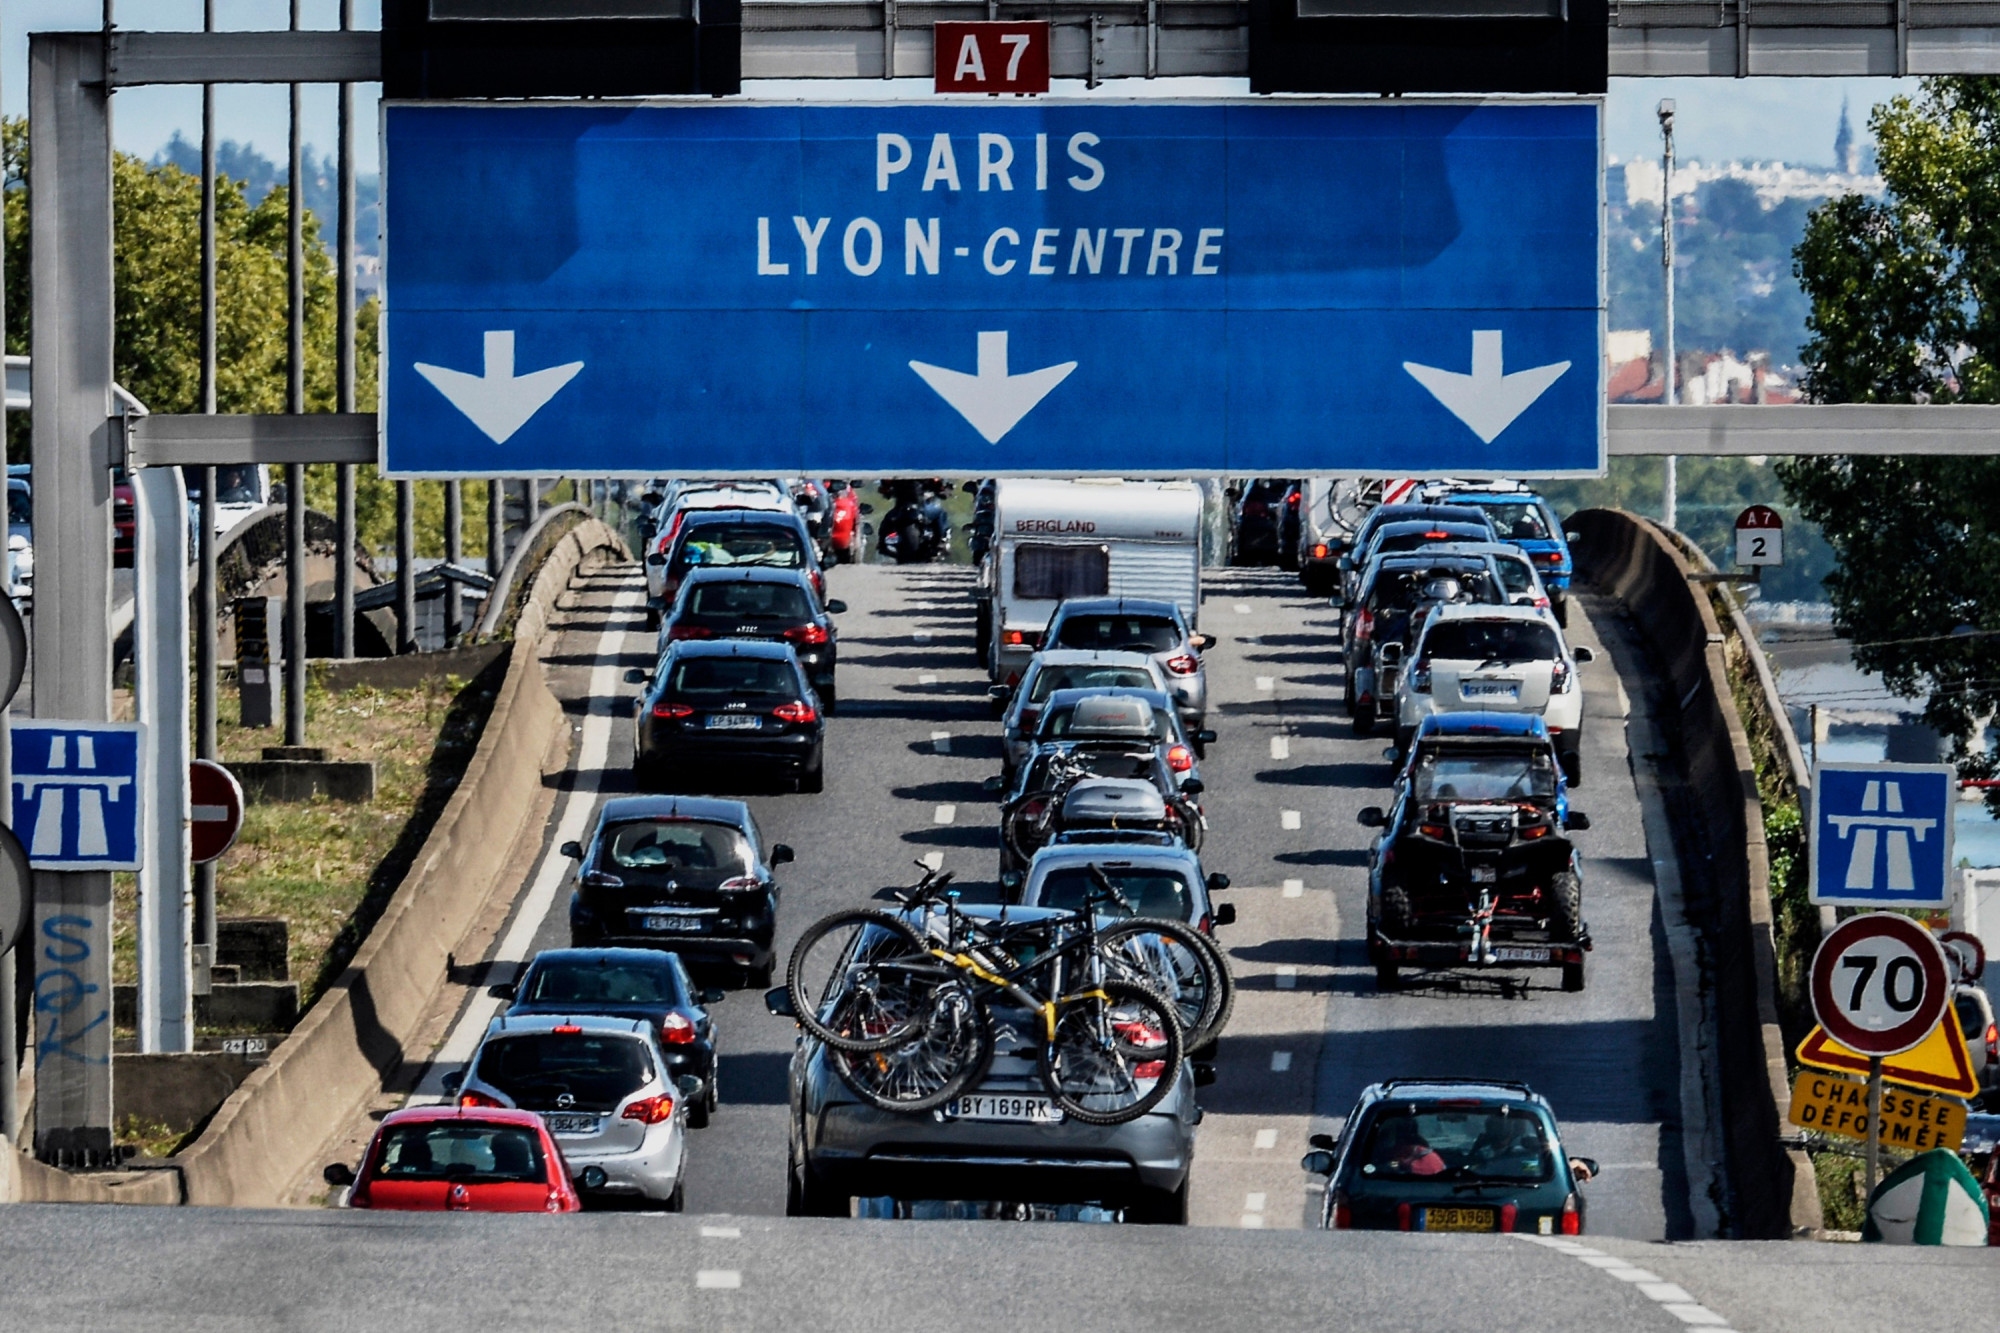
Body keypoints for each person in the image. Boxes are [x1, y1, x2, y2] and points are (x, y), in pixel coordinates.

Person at [1377, 1119, 1446, 1176]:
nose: (1396, 1146)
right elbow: (1394, 1163)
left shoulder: (1428, 1159)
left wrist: (1400, 1165)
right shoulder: (1397, 1155)